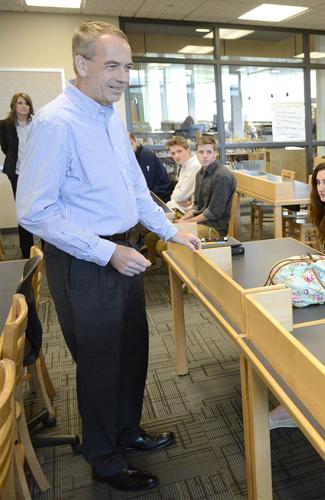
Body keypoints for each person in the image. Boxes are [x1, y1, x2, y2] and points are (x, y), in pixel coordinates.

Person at [16, 22, 201, 491]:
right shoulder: (56, 122)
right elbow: (35, 211)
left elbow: (135, 190)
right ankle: (104, 459)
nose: (123, 77)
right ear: (82, 64)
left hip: (123, 250)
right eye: (112, 65)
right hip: (86, 259)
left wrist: (169, 231)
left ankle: (126, 433)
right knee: (100, 365)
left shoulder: (108, 117)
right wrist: (106, 252)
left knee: (131, 353)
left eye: (129, 67)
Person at [144, 135, 201, 265]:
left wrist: (178, 196)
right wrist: (178, 195)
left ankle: (173, 267)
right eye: (173, 153)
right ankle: (157, 266)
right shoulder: (184, 166)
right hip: (176, 207)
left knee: (151, 231)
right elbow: (176, 195)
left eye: (179, 151)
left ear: (188, 150)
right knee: (148, 230)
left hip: (183, 212)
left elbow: (179, 196)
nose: (176, 156)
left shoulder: (194, 167)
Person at [176, 136, 236, 239]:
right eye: (201, 152)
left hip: (214, 228)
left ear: (215, 154)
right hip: (201, 222)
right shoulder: (200, 174)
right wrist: (182, 220)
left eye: (209, 152)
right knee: (156, 237)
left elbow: (212, 213)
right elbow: (197, 206)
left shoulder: (222, 176)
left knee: (169, 241)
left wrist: (186, 223)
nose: (204, 156)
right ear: (196, 154)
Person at [1, 92, 36, 258]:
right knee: (23, 212)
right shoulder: (4, 125)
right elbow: (5, 147)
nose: (24, 106)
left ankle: (47, 249)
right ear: (14, 106)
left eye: (26, 103)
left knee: (41, 208)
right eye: (20, 103)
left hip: (36, 174)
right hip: (16, 174)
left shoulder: (37, 123)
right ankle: (27, 252)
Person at [128, 132, 172, 202]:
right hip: (150, 195)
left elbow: (147, 184)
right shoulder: (133, 156)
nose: (129, 149)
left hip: (160, 196)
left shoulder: (145, 155)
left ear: (136, 142)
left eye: (131, 144)